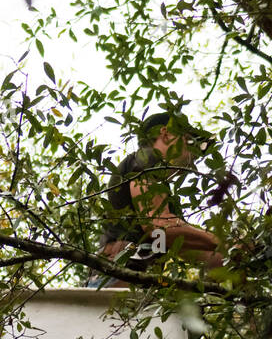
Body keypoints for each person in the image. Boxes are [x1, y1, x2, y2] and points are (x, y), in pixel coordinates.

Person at [90, 111, 233, 288]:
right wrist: (221, 242)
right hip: (118, 275)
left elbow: (181, 244)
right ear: (165, 133)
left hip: (135, 279)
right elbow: (159, 227)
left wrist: (236, 256)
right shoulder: (147, 159)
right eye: (189, 142)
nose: (194, 155)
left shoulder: (163, 194)